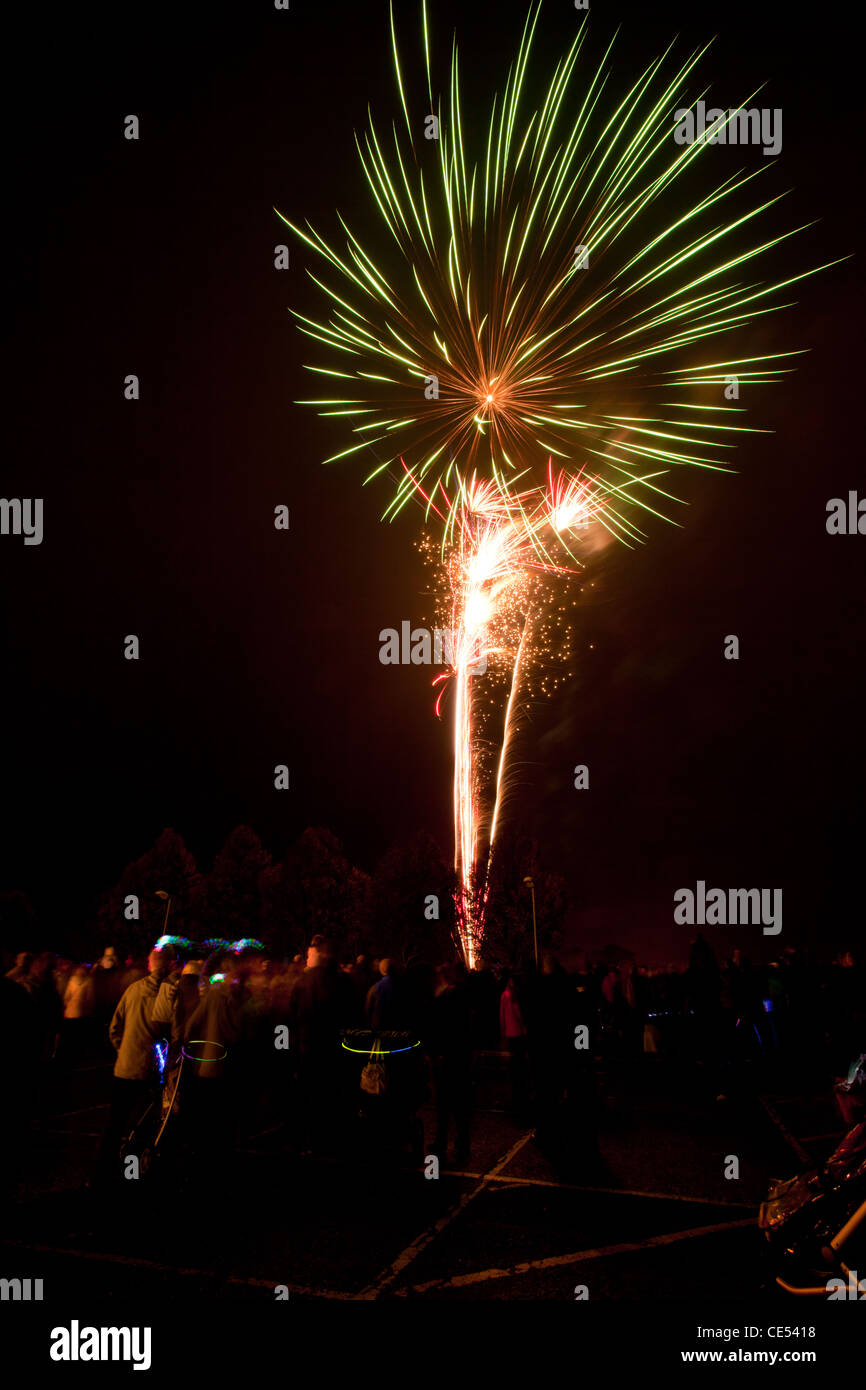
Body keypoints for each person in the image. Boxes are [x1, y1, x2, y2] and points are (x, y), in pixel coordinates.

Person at [95, 947, 170, 1184]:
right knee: (145, 1123)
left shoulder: (133, 990)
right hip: (150, 1070)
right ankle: (135, 1170)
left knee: (115, 1121)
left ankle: (103, 1170)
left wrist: (123, 1049)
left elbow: (114, 1027)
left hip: (126, 1066)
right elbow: (172, 1034)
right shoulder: (170, 994)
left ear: (150, 964)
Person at [500, 975, 529, 1118]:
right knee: (519, 1058)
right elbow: (518, 1014)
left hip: (510, 1031)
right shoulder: (515, 997)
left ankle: (515, 1074)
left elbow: (502, 1013)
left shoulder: (504, 995)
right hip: (517, 1031)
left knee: (514, 1058)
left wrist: (503, 1028)